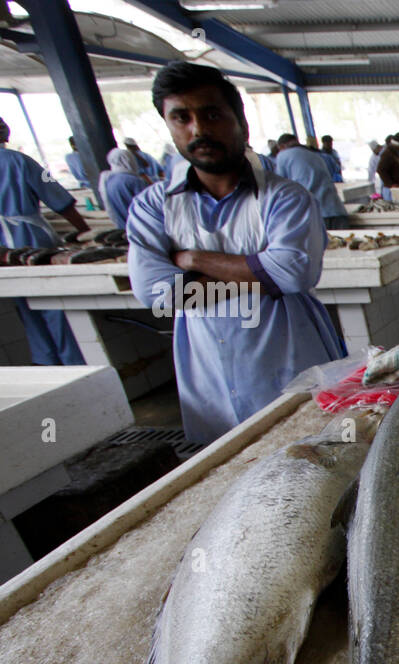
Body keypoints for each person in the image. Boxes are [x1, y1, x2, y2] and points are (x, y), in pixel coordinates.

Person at [127, 62, 345, 444]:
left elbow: (293, 275)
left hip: (288, 355)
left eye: (212, 114)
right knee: (226, 467)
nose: (198, 129)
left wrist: (192, 261)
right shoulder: (153, 207)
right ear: (168, 124)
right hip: (207, 366)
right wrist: (260, 277)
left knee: (307, 454)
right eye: (182, 117)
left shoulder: (283, 198)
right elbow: (157, 295)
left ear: (240, 121)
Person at [0, 117, 89, 364]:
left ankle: (46, 360)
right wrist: (84, 231)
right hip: (30, 239)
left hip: (2, 251)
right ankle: (73, 360)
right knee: (52, 302)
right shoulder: (20, 161)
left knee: (24, 305)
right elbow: (57, 196)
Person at [273, 133, 348, 229]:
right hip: (336, 210)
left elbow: (280, 187)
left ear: (282, 146)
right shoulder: (315, 155)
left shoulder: (283, 156)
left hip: (315, 214)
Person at [98, 147, 149, 230]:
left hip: (124, 226)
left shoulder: (109, 180)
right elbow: (147, 205)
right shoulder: (134, 181)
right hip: (141, 226)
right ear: (128, 160)